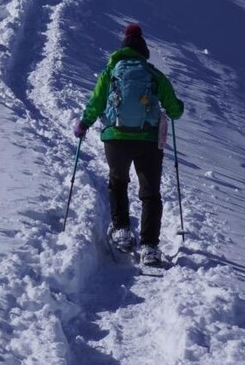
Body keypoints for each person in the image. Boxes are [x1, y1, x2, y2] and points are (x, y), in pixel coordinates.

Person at [74, 22, 184, 265]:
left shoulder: (110, 72)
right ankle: (150, 246)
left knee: (118, 182)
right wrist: (177, 109)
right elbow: (174, 111)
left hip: (116, 138)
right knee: (150, 193)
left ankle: (122, 230)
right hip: (148, 139)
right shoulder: (153, 74)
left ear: (122, 49)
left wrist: (83, 124)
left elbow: (96, 103)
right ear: (143, 52)